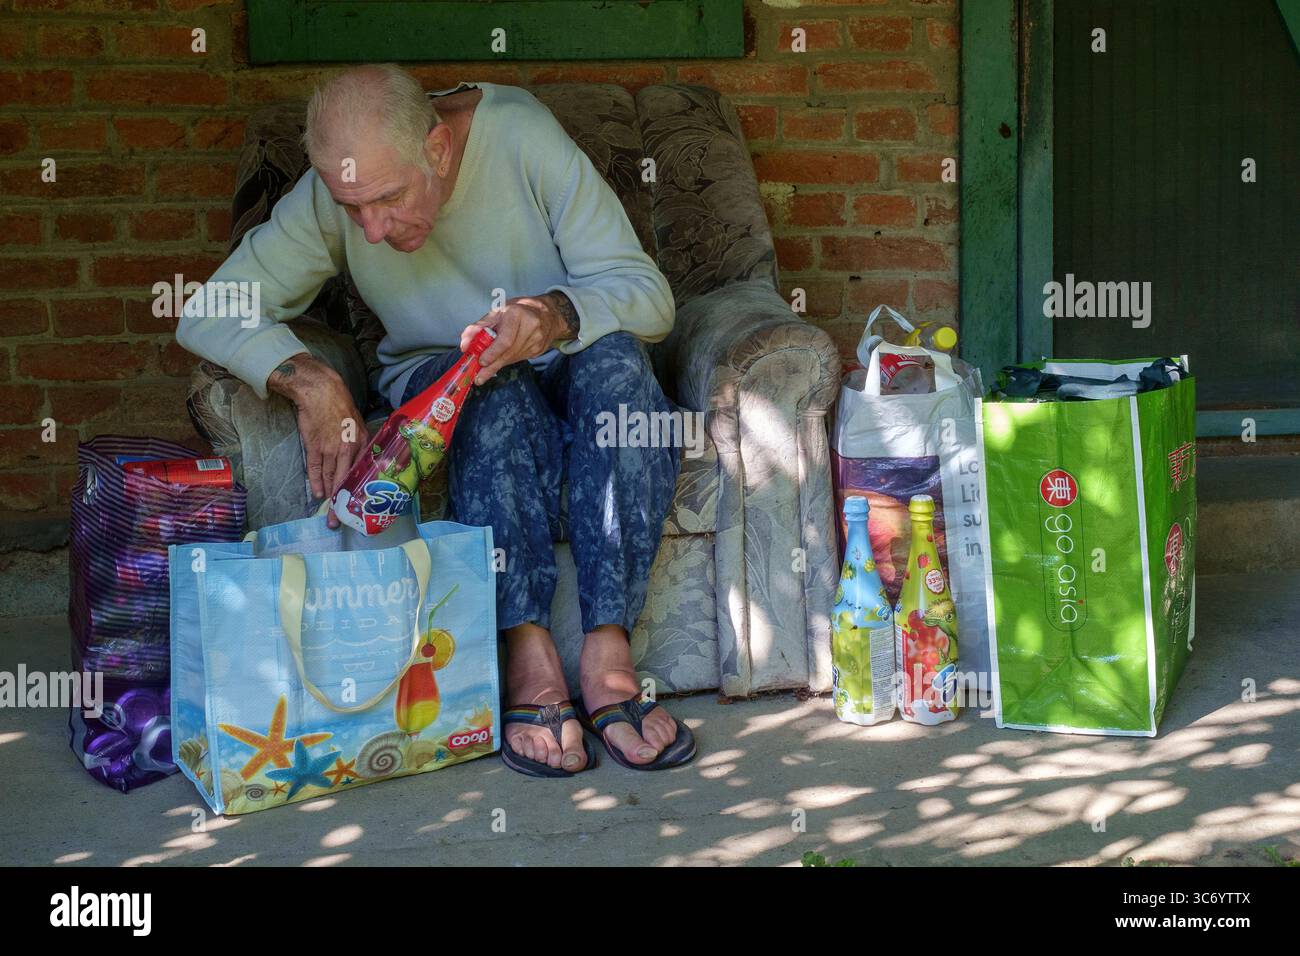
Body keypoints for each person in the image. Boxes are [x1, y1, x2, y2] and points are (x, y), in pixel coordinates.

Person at [176, 64, 696, 775]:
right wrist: (310, 380)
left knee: (618, 364)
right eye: (352, 207)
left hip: (569, 367)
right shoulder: (344, 195)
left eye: (388, 199)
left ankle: (608, 655)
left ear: (439, 149)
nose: (373, 228)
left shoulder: (520, 135)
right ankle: (530, 657)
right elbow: (210, 307)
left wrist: (551, 315)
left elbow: (647, 297)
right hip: (448, 383)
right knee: (488, 389)